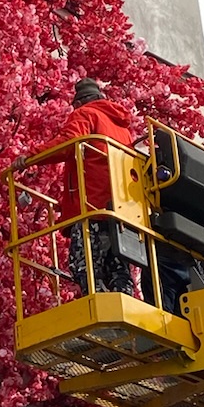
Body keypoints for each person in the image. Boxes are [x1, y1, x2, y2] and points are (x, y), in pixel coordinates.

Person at [45, 79, 140, 296]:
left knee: (85, 265)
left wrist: (30, 156)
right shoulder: (122, 127)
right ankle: (123, 300)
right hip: (121, 209)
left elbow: (68, 142)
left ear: (79, 102)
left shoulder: (85, 114)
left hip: (92, 206)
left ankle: (97, 301)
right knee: (118, 265)